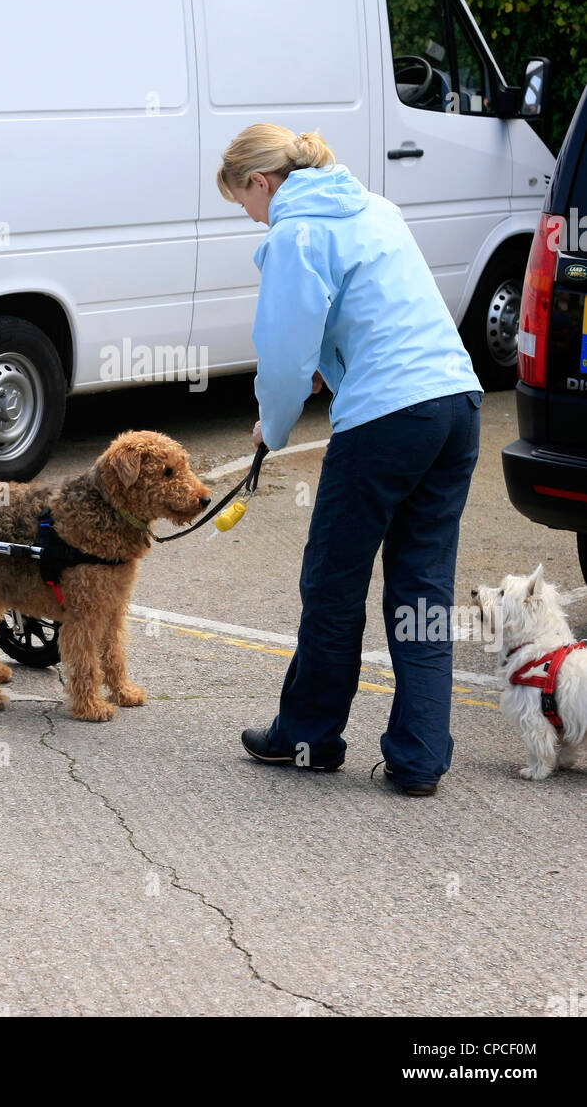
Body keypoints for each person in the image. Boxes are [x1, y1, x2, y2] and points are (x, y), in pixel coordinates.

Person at [216, 124, 482, 796]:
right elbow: (380, 315)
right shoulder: (374, 206)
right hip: (456, 402)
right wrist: (332, 368)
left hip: (387, 419)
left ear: (260, 181)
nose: (251, 216)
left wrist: (271, 429)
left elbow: (280, 357)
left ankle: (306, 736)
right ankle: (420, 757)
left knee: (333, 581)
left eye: (243, 202)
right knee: (422, 589)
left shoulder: (295, 233)